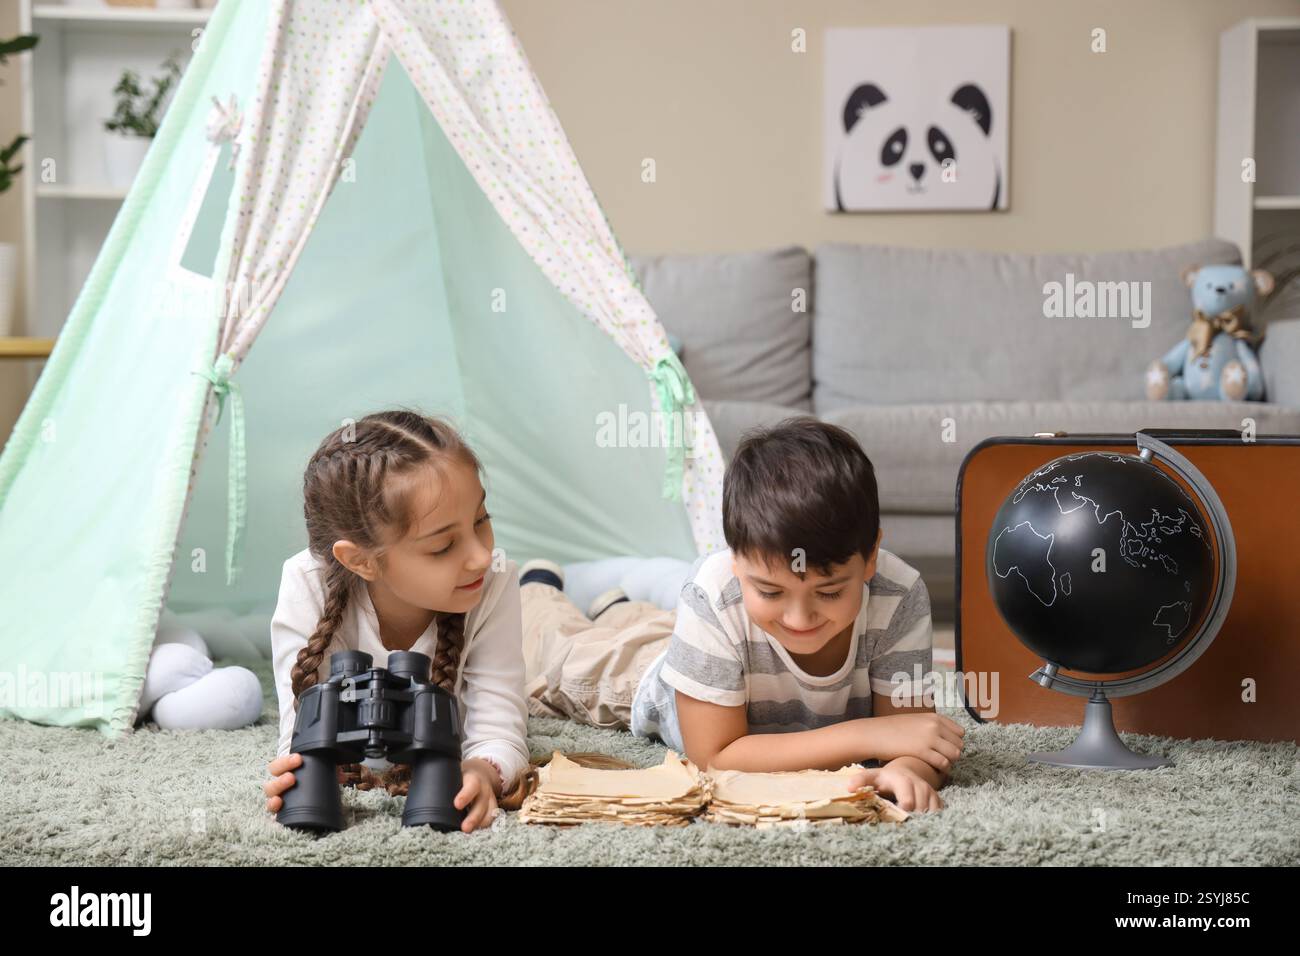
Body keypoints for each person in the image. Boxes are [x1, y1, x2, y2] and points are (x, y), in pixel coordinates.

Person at [518, 417, 963, 812]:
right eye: (770, 591)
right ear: (735, 562)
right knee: (562, 657)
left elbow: (913, 736)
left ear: (870, 558)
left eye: (828, 592)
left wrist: (905, 769)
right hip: (652, 685)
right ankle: (537, 588)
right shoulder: (714, 593)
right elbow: (714, 758)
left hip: (711, 657)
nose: (800, 618)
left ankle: (617, 608)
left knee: (655, 628)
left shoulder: (899, 595)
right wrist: (869, 737)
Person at [261, 410, 529, 833]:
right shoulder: (306, 582)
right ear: (361, 560)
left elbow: (501, 721)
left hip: (530, 622)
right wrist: (300, 770)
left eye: (482, 520)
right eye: (443, 546)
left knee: (570, 668)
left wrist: (482, 770)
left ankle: (549, 584)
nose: (480, 555)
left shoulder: (492, 578)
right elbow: (299, 728)